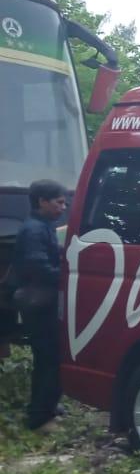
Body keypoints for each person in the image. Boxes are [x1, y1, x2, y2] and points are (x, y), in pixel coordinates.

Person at [7, 180, 67, 431]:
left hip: (42, 302)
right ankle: (40, 417)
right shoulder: (34, 230)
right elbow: (38, 266)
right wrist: (66, 276)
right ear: (42, 201)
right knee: (47, 358)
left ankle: (48, 405)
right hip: (38, 304)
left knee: (50, 356)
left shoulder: (42, 226)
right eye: (59, 202)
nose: (63, 207)